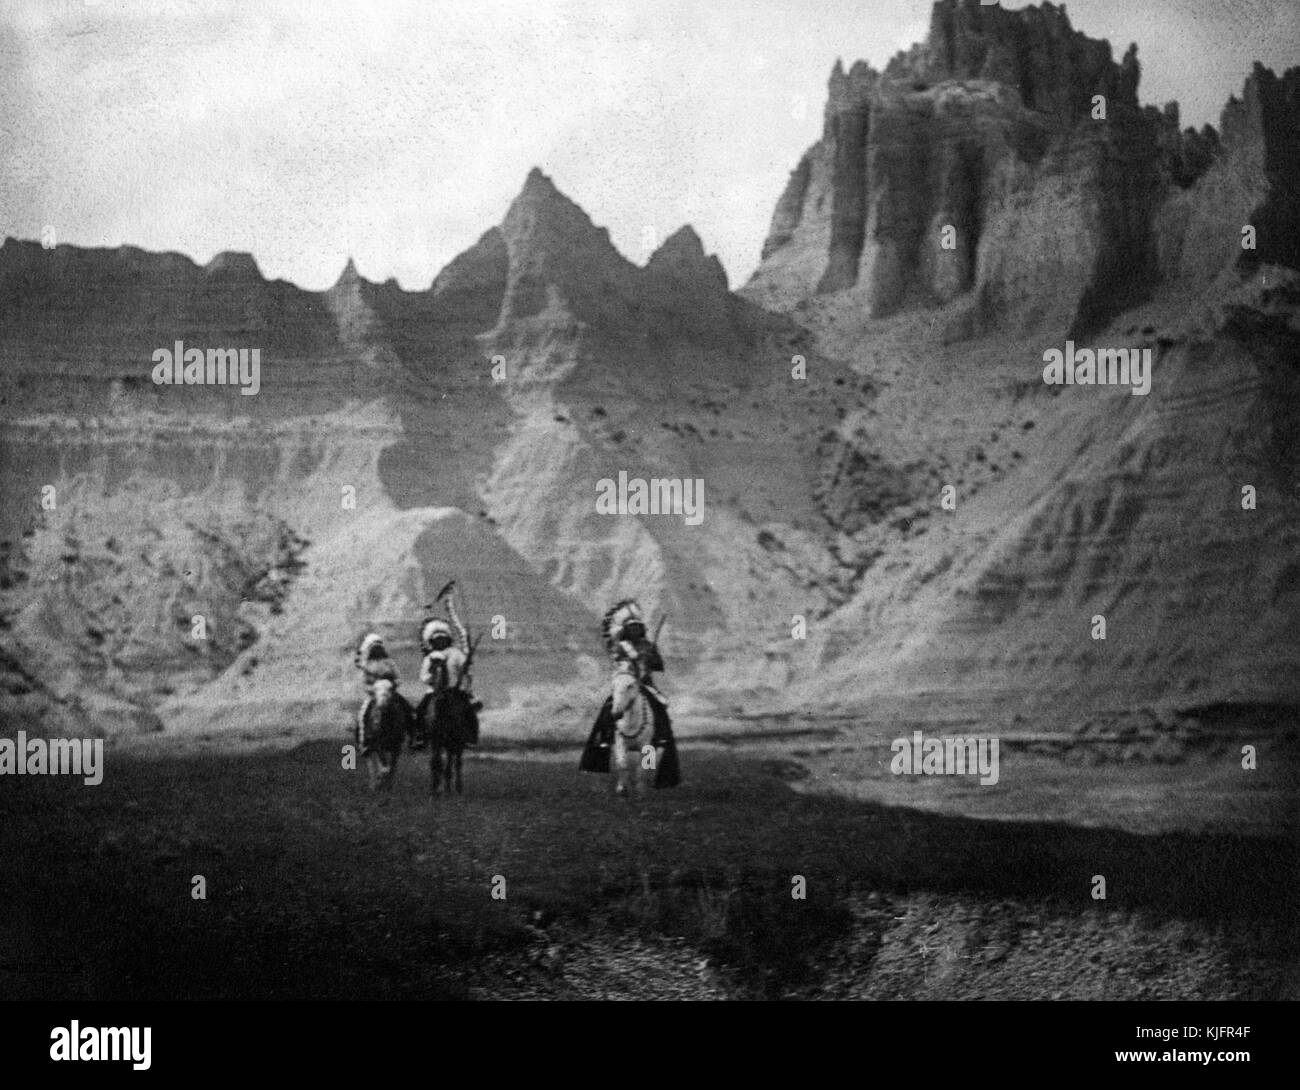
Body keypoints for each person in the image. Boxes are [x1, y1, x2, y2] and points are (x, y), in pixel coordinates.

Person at [579, 599, 679, 788]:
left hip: (645, 685)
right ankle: (605, 738)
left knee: (659, 709)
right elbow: (618, 663)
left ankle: (658, 741)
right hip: (627, 682)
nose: (634, 631)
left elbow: (659, 666)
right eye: (631, 628)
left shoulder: (648, 645)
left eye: (636, 628)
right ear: (626, 630)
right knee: (610, 707)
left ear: (641, 629)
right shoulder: (621, 646)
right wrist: (632, 665)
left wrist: (652, 657)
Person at [354, 632, 398, 749]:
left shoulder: (389, 663)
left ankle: (414, 735)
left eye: (379, 647)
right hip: (374, 695)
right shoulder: (367, 665)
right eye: (375, 648)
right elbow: (364, 683)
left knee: (407, 709)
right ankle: (363, 741)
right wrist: (372, 691)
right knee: (363, 715)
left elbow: (397, 677)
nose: (377, 650)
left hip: (390, 693)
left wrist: (393, 686)